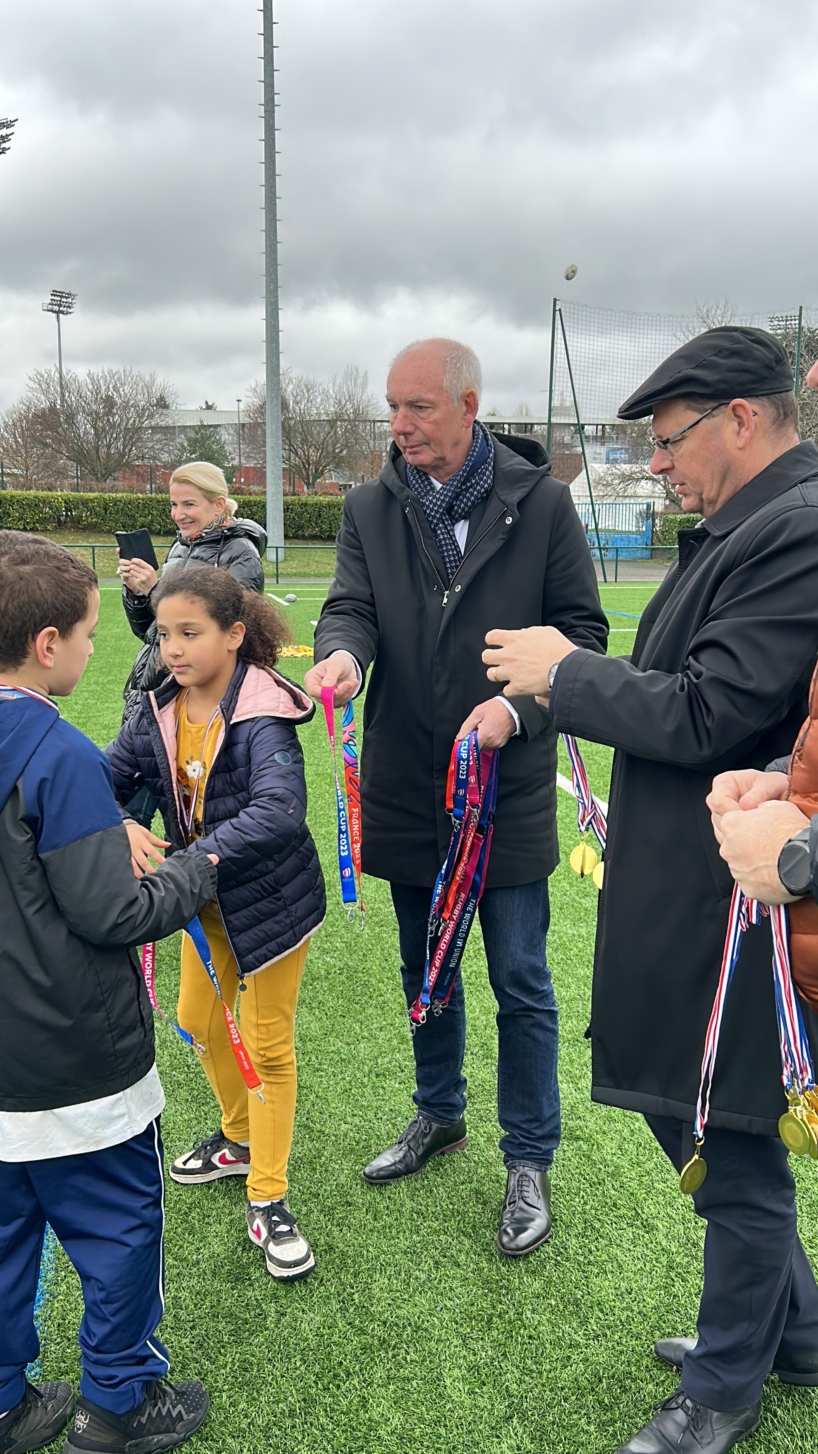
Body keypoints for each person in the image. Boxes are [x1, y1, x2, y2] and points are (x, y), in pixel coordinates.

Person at [483, 327, 818, 1453]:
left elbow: (710, 713)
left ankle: (724, 1388)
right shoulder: (752, 521)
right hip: (694, 886)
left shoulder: (796, 526)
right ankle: (796, 1334)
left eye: (671, 439)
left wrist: (567, 673)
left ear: (741, 418)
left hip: (734, 905)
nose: (659, 463)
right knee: (696, 1114)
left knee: (729, 1140)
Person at [305, 337, 608, 1255]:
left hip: (504, 788)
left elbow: (581, 634)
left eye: (419, 408)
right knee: (423, 969)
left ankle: (529, 1157)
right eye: (392, 409)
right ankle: (439, 1113)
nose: (399, 426)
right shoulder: (369, 504)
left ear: (469, 407)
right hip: (405, 781)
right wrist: (344, 655)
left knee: (520, 980)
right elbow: (351, 606)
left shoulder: (543, 504)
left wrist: (517, 713)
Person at [0, 538, 219, 1454]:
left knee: (5, 1239)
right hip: (77, 1066)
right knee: (121, 1229)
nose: (98, 650)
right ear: (47, 644)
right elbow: (112, 913)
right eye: (92, 634)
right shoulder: (56, 752)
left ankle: (6, 1406)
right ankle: (118, 1403)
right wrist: (196, 869)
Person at [107, 566, 326, 1281]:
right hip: (203, 905)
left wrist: (191, 862)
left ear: (234, 635)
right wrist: (121, 822)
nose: (172, 648)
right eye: (164, 633)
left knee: (267, 1048)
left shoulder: (262, 709)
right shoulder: (158, 709)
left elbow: (279, 810)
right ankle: (239, 1136)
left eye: (189, 633)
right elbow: (102, 780)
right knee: (197, 1023)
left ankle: (270, 1197)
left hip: (270, 906)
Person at [118, 462, 267, 829]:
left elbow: (231, 634)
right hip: (151, 693)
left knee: (188, 822)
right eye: (174, 504)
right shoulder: (179, 549)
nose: (178, 514)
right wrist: (138, 594)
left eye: (189, 504)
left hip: (194, 706)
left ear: (218, 505)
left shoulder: (240, 554)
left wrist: (156, 591)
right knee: (119, 818)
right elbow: (151, 632)